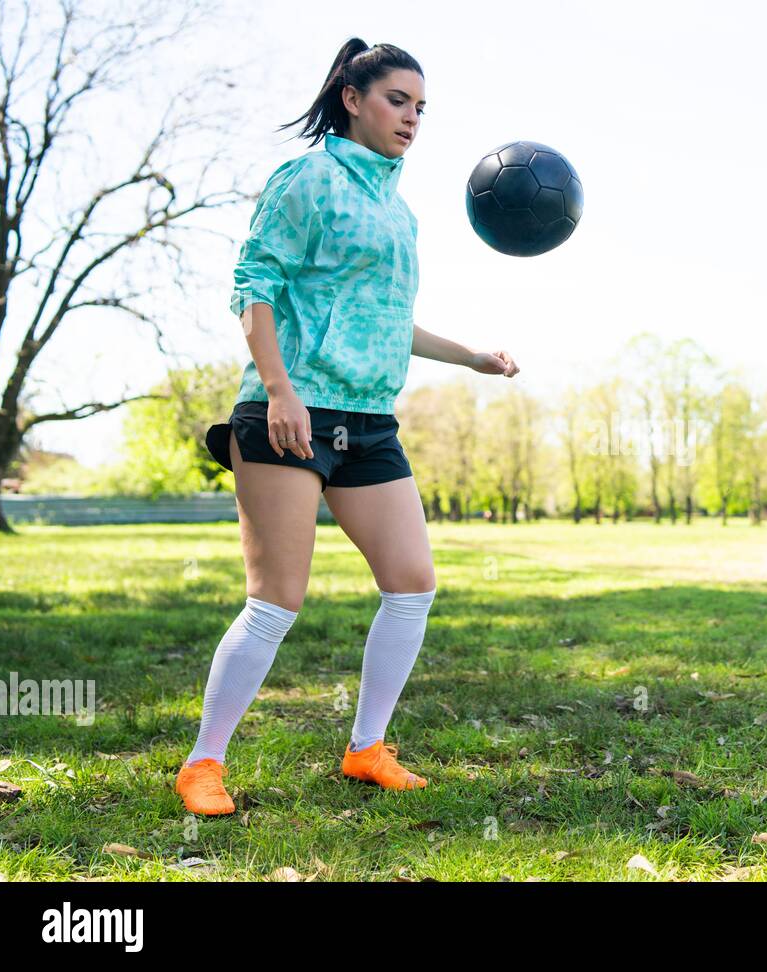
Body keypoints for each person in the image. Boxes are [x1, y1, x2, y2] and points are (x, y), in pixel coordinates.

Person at [176, 39, 519, 816]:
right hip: (288, 416)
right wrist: (278, 391)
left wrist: (470, 357)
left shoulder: (399, 213)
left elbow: (390, 321)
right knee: (277, 600)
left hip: (368, 422)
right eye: (399, 101)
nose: (412, 119)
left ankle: (366, 748)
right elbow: (254, 284)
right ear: (352, 98)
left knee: (411, 585)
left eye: (422, 108)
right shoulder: (307, 179)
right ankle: (203, 763)